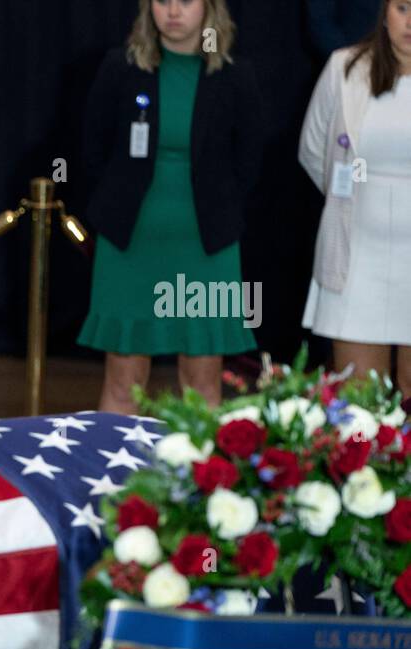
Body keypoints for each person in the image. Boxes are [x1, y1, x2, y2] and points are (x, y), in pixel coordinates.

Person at [78, 0, 265, 415]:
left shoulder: (235, 75)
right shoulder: (120, 67)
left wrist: (220, 209)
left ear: (210, 9)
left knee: (201, 380)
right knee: (124, 379)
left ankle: (201, 478)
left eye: (185, 1)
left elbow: (250, 161)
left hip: (207, 246)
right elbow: (92, 148)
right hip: (130, 243)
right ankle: (114, 477)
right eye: (163, 1)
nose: (173, 11)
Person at [300, 0, 411, 397]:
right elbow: (314, 151)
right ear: (384, 13)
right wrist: (352, 197)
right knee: (360, 403)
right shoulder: (345, 68)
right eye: (402, 8)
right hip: (357, 259)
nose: (410, 22)